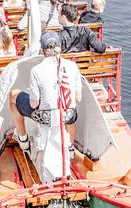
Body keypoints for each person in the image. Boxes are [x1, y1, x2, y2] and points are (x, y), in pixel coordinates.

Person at [10, 30, 84, 158]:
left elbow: (34, 104)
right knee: (70, 112)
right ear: (60, 47)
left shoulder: (36, 70)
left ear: (41, 49)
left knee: (13, 95)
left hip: (45, 117)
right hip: (68, 114)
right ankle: (70, 148)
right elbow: (78, 98)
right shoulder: (73, 66)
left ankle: (23, 139)